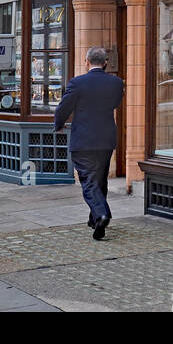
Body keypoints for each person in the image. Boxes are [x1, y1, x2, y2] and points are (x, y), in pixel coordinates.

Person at [53, 46, 125, 240]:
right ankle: (95, 220)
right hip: (106, 139)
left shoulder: (77, 83)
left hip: (83, 139)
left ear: (86, 62)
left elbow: (63, 108)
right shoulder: (116, 83)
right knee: (100, 180)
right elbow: (115, 104)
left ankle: (102, 214)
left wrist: (58, 124)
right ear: (105, 63)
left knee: (88, 181)